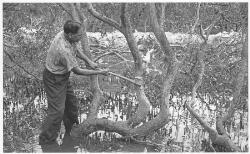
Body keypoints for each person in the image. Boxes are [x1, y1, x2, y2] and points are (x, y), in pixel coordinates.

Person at [39, 20, 108, 148]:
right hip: (54, 78)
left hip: (62, 76)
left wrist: (89, 61)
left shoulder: (68, 36)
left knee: (72, 105)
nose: (81, 37)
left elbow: (76, 49)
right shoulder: (63, 49)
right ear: (70, 35)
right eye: (79, 35)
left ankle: (71, 133)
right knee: (56, 112)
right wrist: (98, 71)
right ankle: (46, 142)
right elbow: (77, 71)